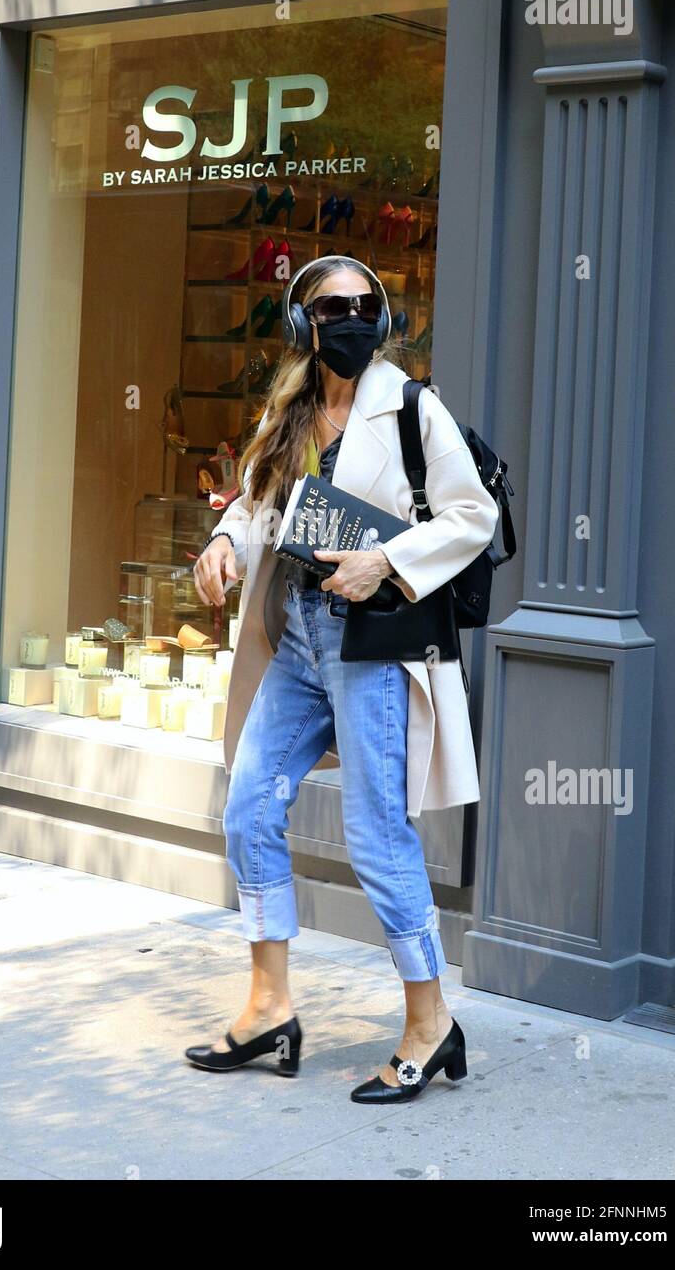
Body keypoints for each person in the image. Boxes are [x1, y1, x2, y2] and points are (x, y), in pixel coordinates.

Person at [186, 254, 498, 1103]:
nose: (352, 320)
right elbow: (256, 506)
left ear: (383, 320)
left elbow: (477, 515)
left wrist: (386, 559)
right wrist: (222, 544)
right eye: (333, 308)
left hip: (372, 642)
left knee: (375, 838)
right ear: (303, 325)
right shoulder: (288, 412)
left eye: (367, 307)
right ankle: (268, 1005)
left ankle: (431, 1023)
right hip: (296, 640)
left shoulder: (411, 408)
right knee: (249, 803)